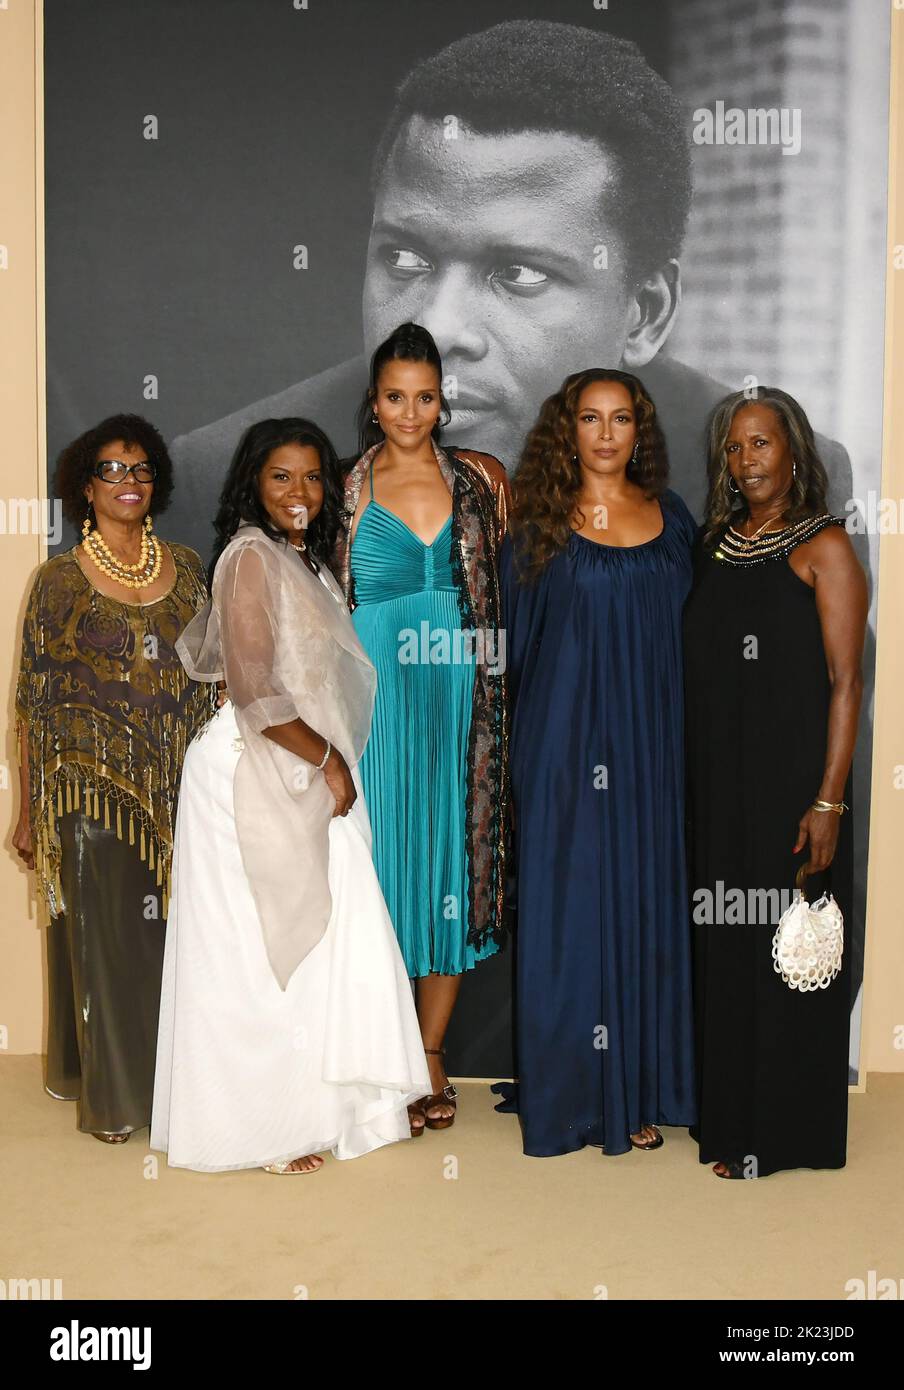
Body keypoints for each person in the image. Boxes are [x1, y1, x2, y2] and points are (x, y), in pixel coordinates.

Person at [168, 20, 852, 561]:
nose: (433, 333)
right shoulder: (219, 481)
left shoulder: (772, 486)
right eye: (405, 258)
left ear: (644, 313)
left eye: (519, 274)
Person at [151, 418, 429, 1173]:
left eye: (312, 477)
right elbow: (253, 688)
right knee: (258, 945)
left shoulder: (306, 561)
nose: (299, 491)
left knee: (321, 939)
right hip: (253, 770)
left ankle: (318, 1113)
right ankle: (262, 1131)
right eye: (282, 476)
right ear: (254, 483)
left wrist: (331, 764)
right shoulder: (248, 557)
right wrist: (333, 761)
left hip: (308, 768)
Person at [494, 369, 697, 1156]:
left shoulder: (673, 518)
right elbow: (511, 653)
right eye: (590, 418)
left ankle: (641, 1089)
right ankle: (576, 1093)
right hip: (564, 747)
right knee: (574, 916)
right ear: (567, 430)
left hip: (655, 745)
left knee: (646, 906)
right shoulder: (539, 525)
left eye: (620, 418)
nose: (606, 433)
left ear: (639, 430)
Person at [12, 414, 215, 1142]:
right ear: (84, 487)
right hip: (86, 793)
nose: (127, 483)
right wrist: (30, 811)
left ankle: (167, 1084)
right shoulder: (58, 581)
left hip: (181, 791)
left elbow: (218, 685)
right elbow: (33, 702)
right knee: (103, 940)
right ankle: (118, 1103)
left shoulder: (190, 570)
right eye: (111, 470)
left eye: (140, 470)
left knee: (169, 944)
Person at [684, 387, 867, 1178]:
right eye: (733, 446)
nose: (746, 458)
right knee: (726, 948)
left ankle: (784, 1134)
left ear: (794, 450)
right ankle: (730, 1122)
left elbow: (847, 682)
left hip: (795, 786)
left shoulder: (824, 546)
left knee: (787, 950)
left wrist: (828, 800)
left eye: (761, 443)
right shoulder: (715, 542)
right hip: (719, 781)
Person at [331, 323, 509, 1131]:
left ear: (445, 401)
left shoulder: (478, 480)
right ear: (374, 403)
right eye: (396, 396)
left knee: (449, 862)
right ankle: (384, 1057)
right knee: (381, 866)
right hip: (376, 697)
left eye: (426, 396)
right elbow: (328, 604)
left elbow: (497, 590)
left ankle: (431, 1055)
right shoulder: (347, 487)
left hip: (458, 696)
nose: (412, 411)